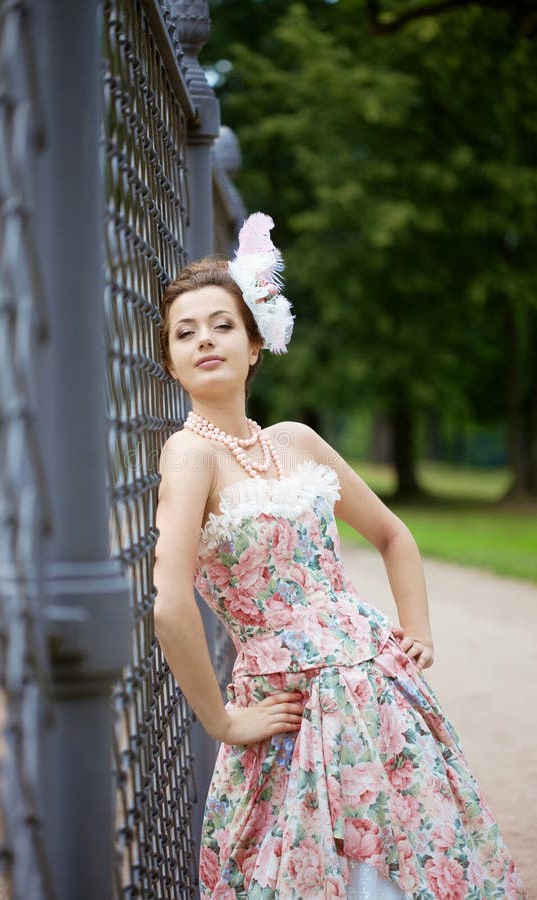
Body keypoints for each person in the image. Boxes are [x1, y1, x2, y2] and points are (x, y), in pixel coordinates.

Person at [152, 214, 526, 899]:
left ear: (257, 342)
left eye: (222, 324)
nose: (204, 338)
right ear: (171, 359)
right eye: (185, 331)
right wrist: (223, 722)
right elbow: (170, 602)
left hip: (380, 697)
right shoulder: (190, 454)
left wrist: (417, 634)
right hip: (288, 713)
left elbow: (393, 537)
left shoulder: (296, 440)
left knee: (410, 863)